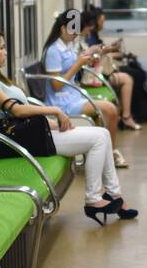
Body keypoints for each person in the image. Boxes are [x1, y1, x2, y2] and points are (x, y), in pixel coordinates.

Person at [0, 26, 137, 225]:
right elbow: (17, 111)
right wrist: (55, 111)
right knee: (98, 139)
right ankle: (93, 199)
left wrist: (52, 124)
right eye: (1, 48)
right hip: (19, 141)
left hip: (30, 133)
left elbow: (23, 111)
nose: (5, 52)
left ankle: (114, 196)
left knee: (102, 133)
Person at [42, 9, 128, 168]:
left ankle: (104, 154)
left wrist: (88, 54)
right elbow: (56, 85)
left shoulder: (67, 45)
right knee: (111, 110)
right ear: (62, 29)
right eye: (73, 31)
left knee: (103, 113)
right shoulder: (53, 51)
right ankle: (112, 153)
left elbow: (71, 68)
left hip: (73, 96)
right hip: (62, 102)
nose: (76, 36)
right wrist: (78, 64)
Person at [79, 6, 142, 131]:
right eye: (101, 21)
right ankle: (126, 117)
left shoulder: (88, 37)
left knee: (133, 74)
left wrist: (108, 51)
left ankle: (125, 115)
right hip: (94, 75)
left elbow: (94, 54)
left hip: (96, 71)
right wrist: (108, 51)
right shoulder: (85, 38)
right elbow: (91, 58)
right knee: (129, 78)